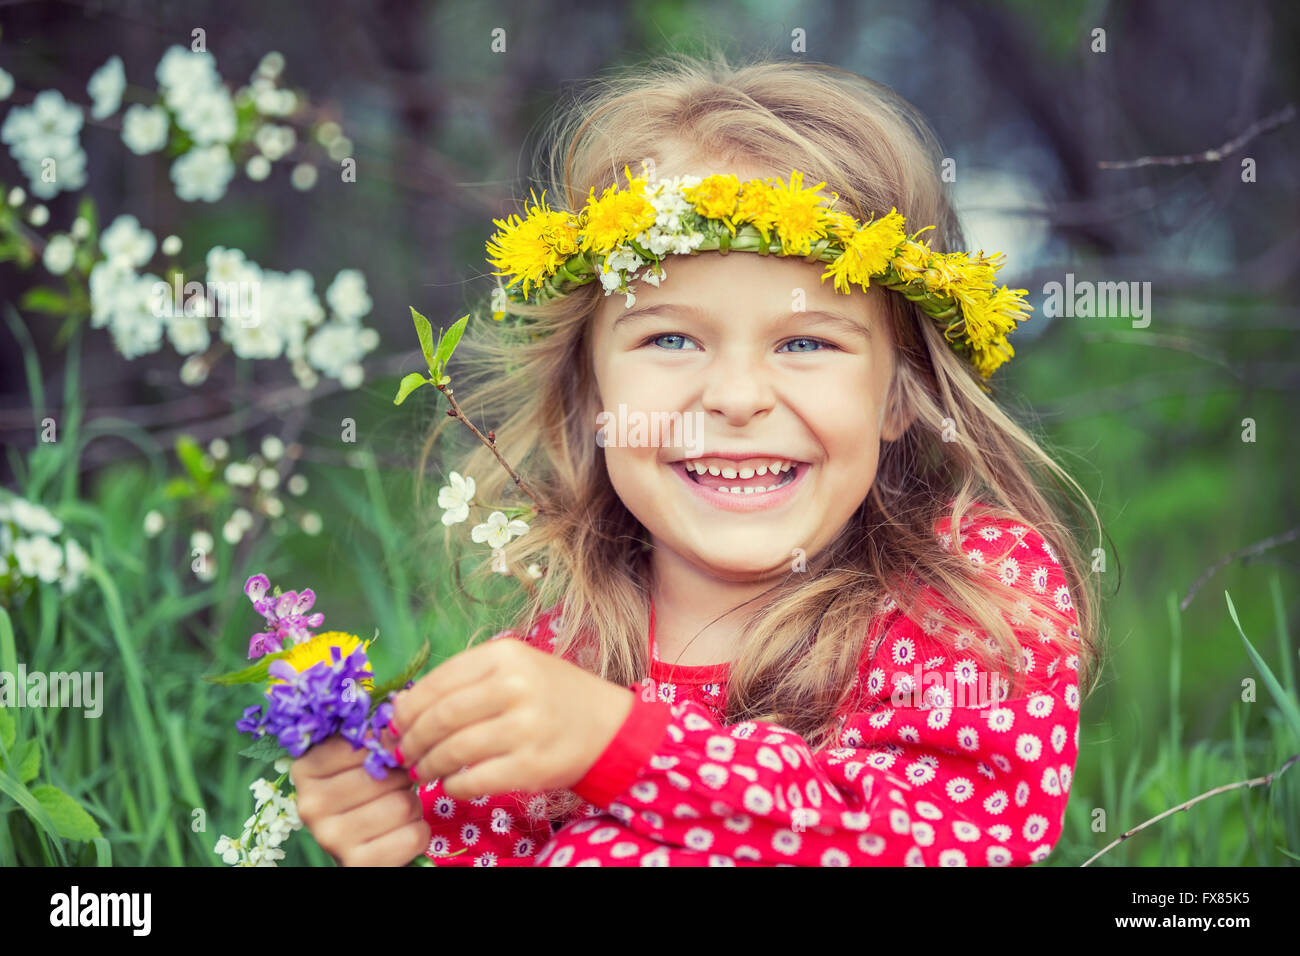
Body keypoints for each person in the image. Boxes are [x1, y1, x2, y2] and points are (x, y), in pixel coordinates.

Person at [291, 48, 1105, 867]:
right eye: (671, 338)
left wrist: (623, 750)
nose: (737, 396)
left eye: (807, 341)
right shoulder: (561, 658)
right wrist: (397, 810)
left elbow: (940, 839)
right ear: (592, 393)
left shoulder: (967, 593)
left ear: (899, 393)